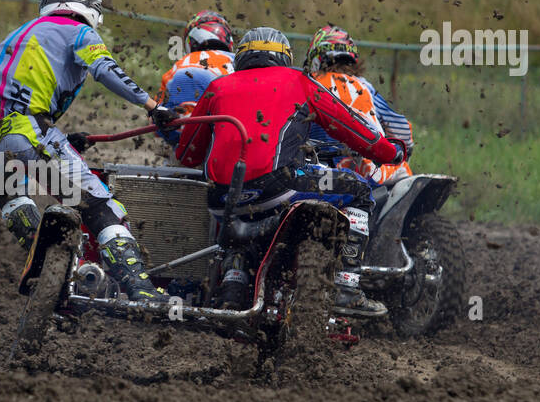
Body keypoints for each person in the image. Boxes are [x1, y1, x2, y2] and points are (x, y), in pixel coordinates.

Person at [173, 27, 407, 318]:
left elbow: (186, 155)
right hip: (279, 186)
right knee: (358, 189)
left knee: (241, 208)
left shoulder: (218, 86)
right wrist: (389, 152)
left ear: (241, 57)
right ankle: (347, 288)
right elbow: (349, 126)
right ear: (284, 57)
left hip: (221, 199)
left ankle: (234, 283)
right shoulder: (298, 81)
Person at [0, 0, 172, 302]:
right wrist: (153, 105)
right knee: (99, 206)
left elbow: (13, 98)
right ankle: (140, 289)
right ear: (91, 6)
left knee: (15, 201)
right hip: (32, 138)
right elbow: (106, 70)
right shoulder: (78, 31)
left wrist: (60, 135)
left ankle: (54, 270)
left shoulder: (18, 33)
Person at [303, 25, 414, 184]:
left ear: (315, 58)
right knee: (403, 171)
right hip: (367, 170)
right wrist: (406, 148)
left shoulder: (306, 84)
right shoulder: (363, 86)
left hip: (317, 174)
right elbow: (401, 127)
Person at [154, 11, 236, 146]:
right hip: (227, 141)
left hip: (184, 147)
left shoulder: (180, 65)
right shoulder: (235, 61)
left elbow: (156, 116)